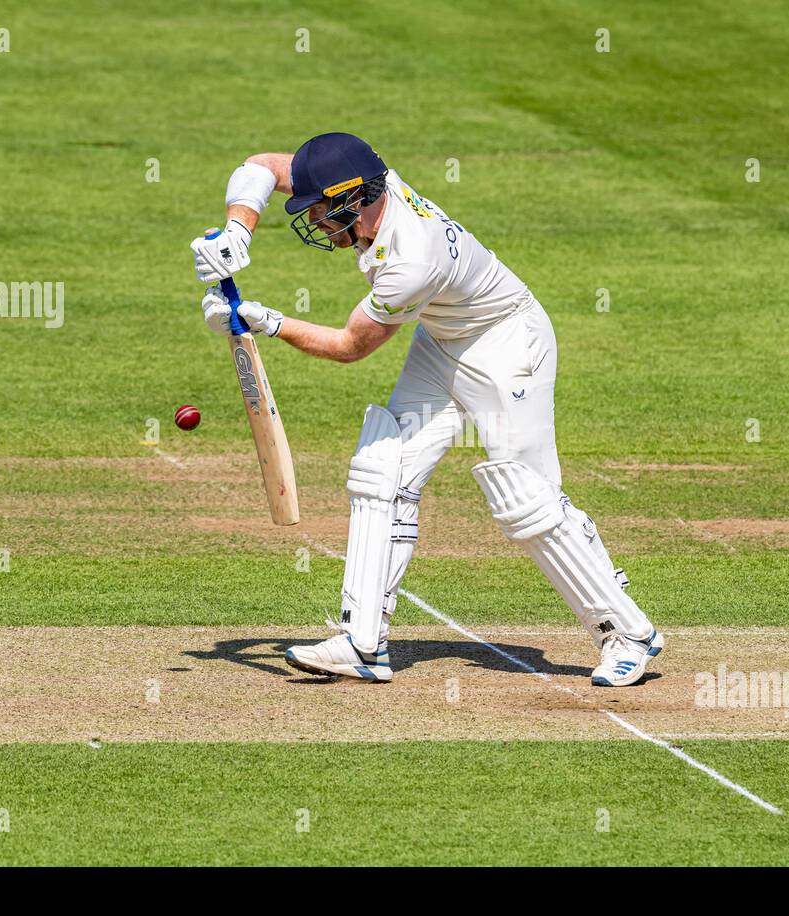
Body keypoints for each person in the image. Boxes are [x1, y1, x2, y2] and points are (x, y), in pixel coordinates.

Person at [190, 132, 661, 687]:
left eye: (320, 211)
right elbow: (262, 164)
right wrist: (237, 230)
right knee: (382, 470)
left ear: (352, 200)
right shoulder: (364, 183)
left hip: (508, 345)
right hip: (443, 340)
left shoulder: (411, 259)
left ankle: (628, 632)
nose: (314, 221)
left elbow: (351, 346)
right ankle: (362, 642)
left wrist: (264, 322)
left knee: (525, 499)